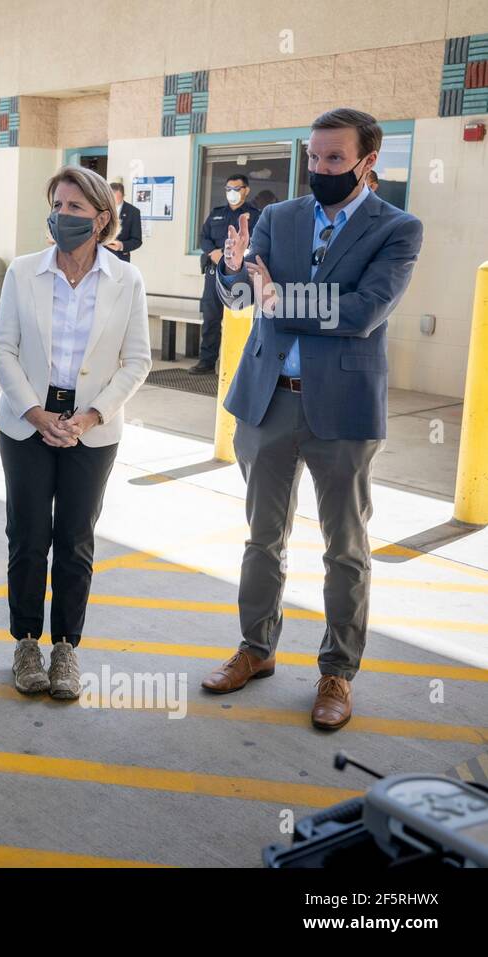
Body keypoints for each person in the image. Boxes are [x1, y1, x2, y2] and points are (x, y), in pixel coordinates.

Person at [204, 108, 423, 730]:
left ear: (366, 161)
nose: (320, 168)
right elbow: (246, 301)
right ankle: (256, 648)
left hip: (344, 410)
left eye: (334, 159)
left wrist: (280, 297)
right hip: (268, 399)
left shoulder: (398, 229)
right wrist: (231, 271)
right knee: (261, 538)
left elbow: (363, 311)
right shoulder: (277, 217)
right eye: (314, 157)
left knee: (345, 548)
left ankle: (337, 671)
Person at [0, 166, 151, 696]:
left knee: (76, 539)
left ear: (102, 218)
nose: (62, 216)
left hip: (93, 431)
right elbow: (2, 350)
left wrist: (90, 417)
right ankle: (26, 643)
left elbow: (137, 361)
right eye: (57, 205)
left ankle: (65, 649)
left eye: (76, 208)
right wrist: (35, 413)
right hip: (27, 424)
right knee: (28, 535)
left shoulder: (126, 280)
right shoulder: (23, 271)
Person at [193, 174, 261, 375]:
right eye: (228, 189)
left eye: (237, 189)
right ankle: (206, 361)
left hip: (240, 275)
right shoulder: (216, 213)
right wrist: (213, 253)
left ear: (246, 190)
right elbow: (203, 237)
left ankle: (237, 365)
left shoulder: (254, 215)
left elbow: (256, 242)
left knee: (239, 318)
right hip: (214, 271)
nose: (232, 193)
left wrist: (234, 258)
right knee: (211, 317)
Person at [107, 182, 143, 262]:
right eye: (111, 198)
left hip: (120, 258)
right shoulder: (100, 208)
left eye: (117, 199)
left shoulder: (133, 212)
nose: (113, 203)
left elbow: (137, 240)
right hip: (101, 256)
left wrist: (122, 246)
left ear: (123, 196)